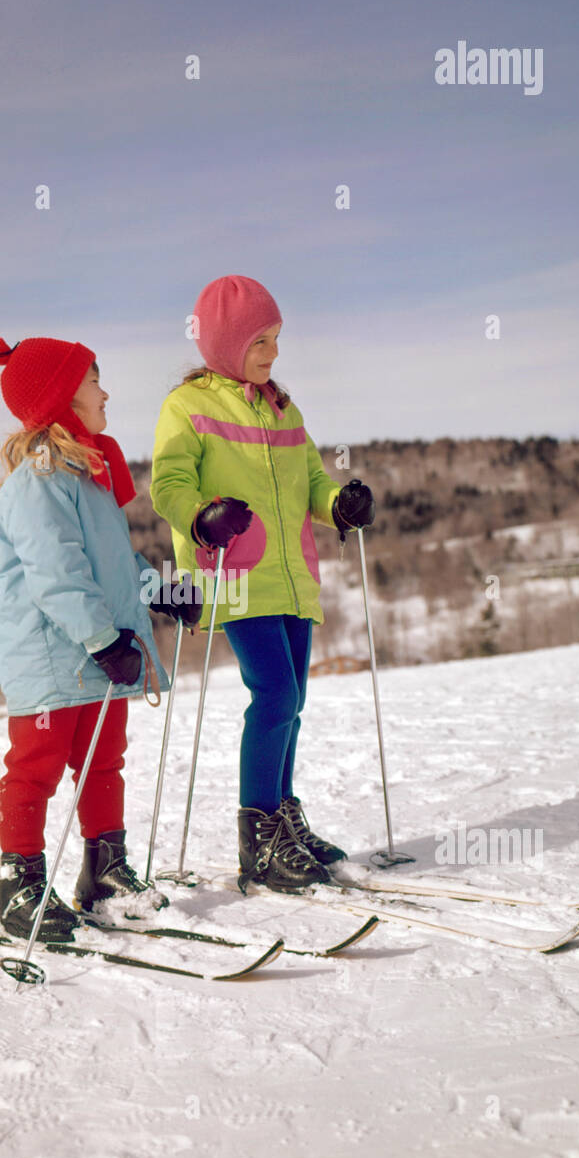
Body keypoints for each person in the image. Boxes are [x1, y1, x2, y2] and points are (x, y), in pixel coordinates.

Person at [149, 276, 375, 894]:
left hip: (293, 574)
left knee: (294, 701)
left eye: (276, 340)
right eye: (259, 342)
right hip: (236, 575)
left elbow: (311, 484)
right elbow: (167, 485)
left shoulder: (284, 408)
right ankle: (258, 840)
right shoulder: (189, 408)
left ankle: (281, 816)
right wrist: (202, 515)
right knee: (273, 694)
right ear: (224, 344)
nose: (272, 354)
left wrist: (340, 504)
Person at [0, 332, 198, 938]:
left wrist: (163, 593)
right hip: (53, 659)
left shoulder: (89, 477)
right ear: (61, 397)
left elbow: (118, 570)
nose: (107, 392)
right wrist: (104, 640)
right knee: (35, 768)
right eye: (95, 381)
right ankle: (17, 887)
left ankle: (104, 873)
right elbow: (57, 576)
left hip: (101, 656)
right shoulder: (40, 480)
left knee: (104, 764)